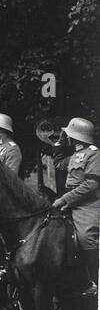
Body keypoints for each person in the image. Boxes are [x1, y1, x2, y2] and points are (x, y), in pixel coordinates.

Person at [52, 117, 100, 293]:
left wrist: (65, 199)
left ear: (78, 136)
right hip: (71, 202)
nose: (67, 137)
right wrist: (59, 144)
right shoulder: (74, 155)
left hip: (88, 204)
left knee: (85, 237)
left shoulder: (94, 154)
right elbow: (57, 164)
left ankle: (94, 280)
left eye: (69, 134)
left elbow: (91, 185)